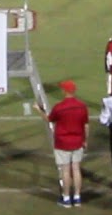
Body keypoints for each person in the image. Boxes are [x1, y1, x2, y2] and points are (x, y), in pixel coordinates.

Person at [36, 79, 89, 207]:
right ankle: (77, 197)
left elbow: (49, 119)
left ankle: (66, 197)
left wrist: (38, 110)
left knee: (65, 170)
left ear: (64, 91)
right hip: (77, 141)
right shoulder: (82, 106)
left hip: (62, 142)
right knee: (76, 168)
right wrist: (85, 140)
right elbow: (86, 125)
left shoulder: (59, 107)